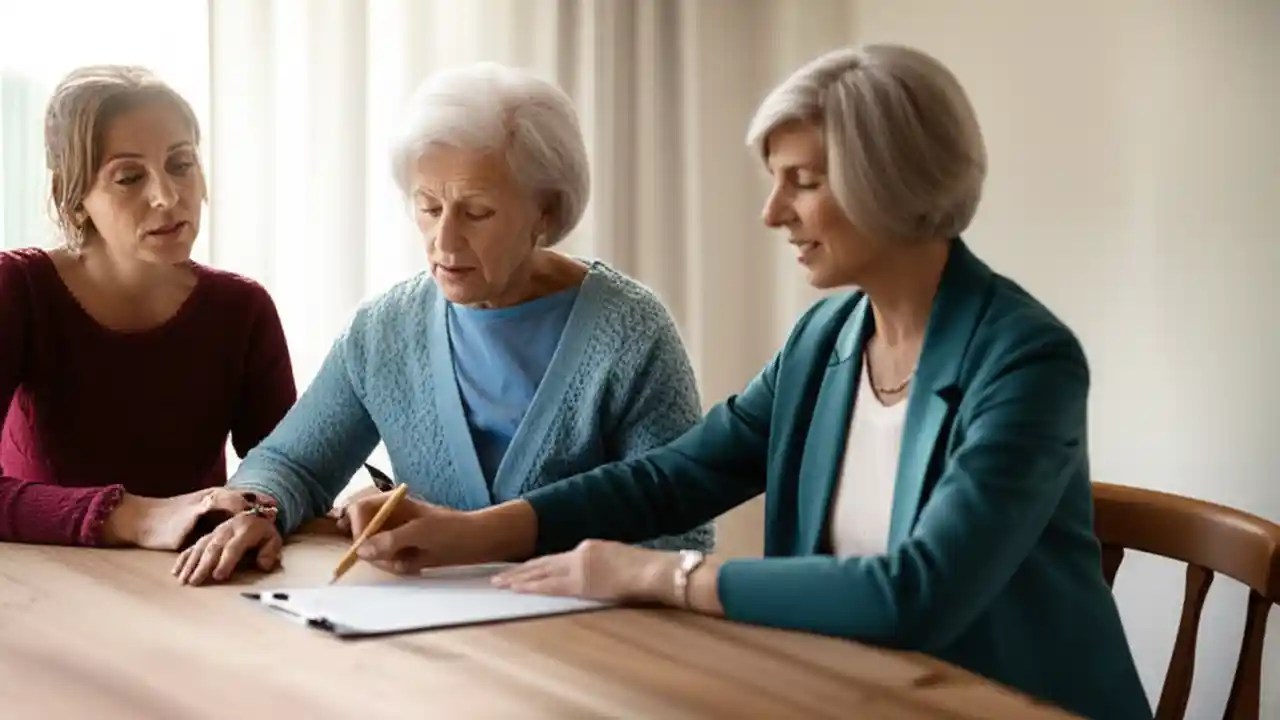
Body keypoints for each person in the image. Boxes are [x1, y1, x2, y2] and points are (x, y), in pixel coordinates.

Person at [337, 46, 1152, 719]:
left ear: (892, 181)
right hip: (848, 694)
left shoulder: (1024, 359)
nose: (771, 212)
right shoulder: (827, 339)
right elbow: (679, 476)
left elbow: (919, 593)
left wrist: (662, 575)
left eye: (802, 181)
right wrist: (470, 533)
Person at [172, 63, 712, 585]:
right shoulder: (385, 329)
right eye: (429, 208)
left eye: (477, 213)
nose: (445, 242)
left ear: (545, 212)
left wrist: (499, 540)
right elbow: (294, 463)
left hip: (591, 637)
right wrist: (256, 510)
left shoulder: (630, 332)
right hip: (434, 643)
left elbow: (680, 529)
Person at [0, 66, 297, 552]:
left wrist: (265, 510)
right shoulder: (17, 290)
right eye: (129, 177)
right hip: (45, 591)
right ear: (72, 199)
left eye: (181, 164)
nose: (166, 196)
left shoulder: (242, 309)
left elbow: (287, 473)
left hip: (189, 589)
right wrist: (137, 517)